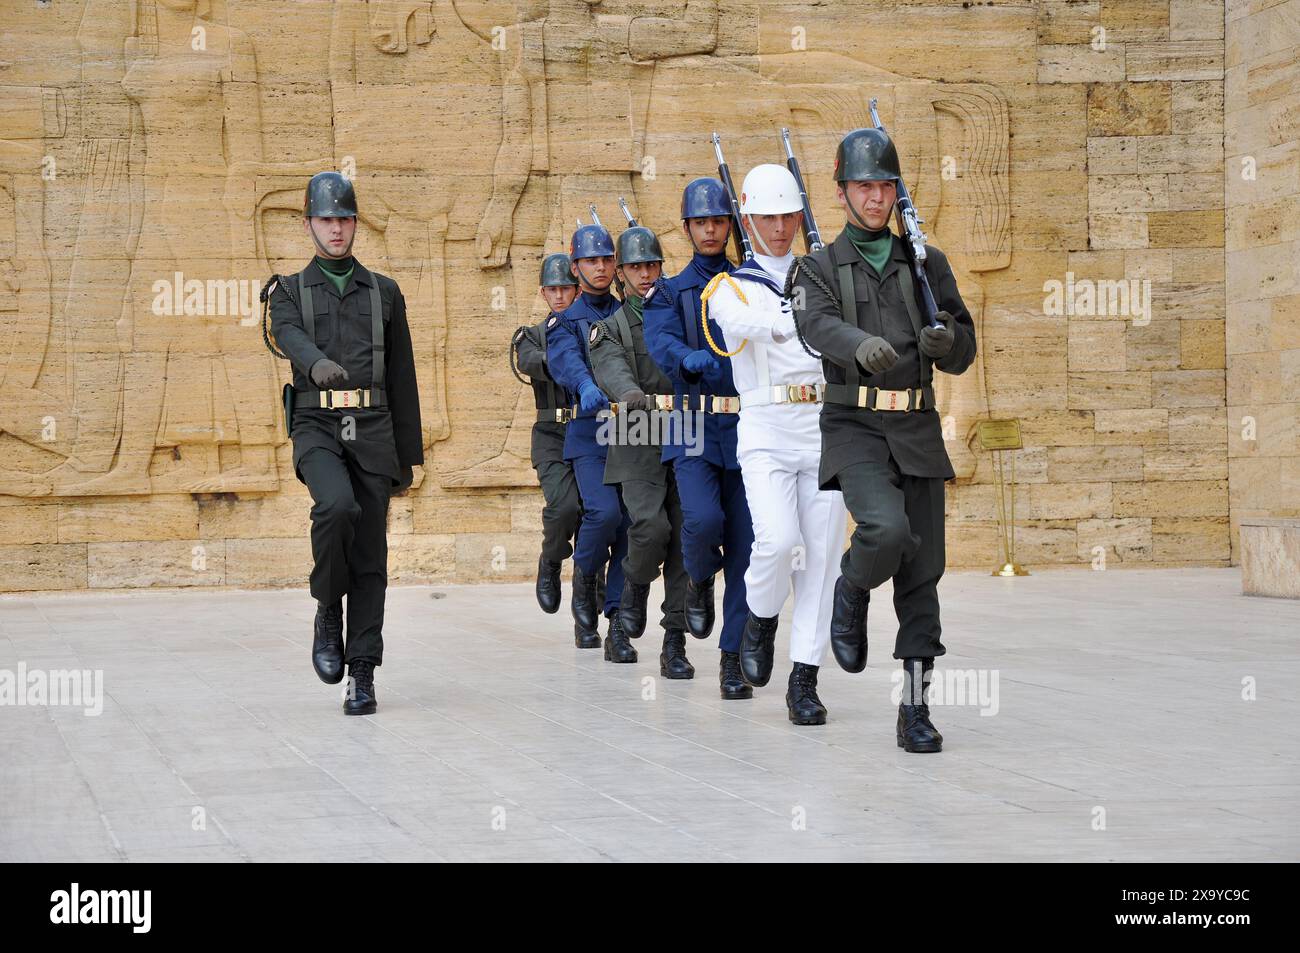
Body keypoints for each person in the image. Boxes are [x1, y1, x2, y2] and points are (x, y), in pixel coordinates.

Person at [791, 128, 977, 752]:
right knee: (885, 531)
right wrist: (856, 345)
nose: (876, 197)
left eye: (886, 185)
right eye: (865, 186)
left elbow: (962, 344)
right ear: (842, 192)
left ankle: (916, 709)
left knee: (923, 574)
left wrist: (947, 344)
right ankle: (851, 586)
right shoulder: (816, 267)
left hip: (917, 428)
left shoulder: (926, 262)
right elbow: (815, 326)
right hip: (855, 427)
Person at [268, 171, 423, 716]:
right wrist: (316, 363)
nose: (335, 229)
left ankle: (362, 672)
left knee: (371, 556)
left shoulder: (384, 291)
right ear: (309, 223)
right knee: (335, 506)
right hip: (318, 425)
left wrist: (409, 457)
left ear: (356, 223)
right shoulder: (287, 291)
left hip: (374, 427)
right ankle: (326, 607)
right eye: (326, 219)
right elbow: (285, 335)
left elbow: (402, 375)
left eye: (344, 219)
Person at [704, 164, 848, 725]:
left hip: (821, 425)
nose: (782, 227)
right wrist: (792, 319)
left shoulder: (822, 279)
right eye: (768, 217)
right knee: (777, 541)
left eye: (789, 215)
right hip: (764, 427)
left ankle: (804, 681)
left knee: (819, 562)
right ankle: (760, 618)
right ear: (748, 218)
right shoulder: (730, 287)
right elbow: (738, 324)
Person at [643, 178, 754, 700]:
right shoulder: (669, 290)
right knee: (702, 521)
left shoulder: (750, 282)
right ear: (687, 228)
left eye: (718, 220)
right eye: (700, 221)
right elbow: (658, 337)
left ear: (729, 224)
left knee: (748, 548)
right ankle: (698, 583)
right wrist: (680, 358)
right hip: (690, 420)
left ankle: (732, 659)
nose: (710, 229)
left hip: (748, 423)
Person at [587, 224, 693, 676]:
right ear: (621, 273)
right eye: (635, 267)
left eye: (652, 265)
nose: (646, 274)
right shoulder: (607, 328)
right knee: (649, 526)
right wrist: (628, 391)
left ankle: (674, 641)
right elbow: (608, 365)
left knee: (688, 534)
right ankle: (627, 604)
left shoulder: (684, 312)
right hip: (635, 428)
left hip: (687, 427)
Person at [545, 221, 633, 659]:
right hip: (590, 433)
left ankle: (618, 620)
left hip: (633, 434)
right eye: (590, 260)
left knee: (634, 525)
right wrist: (584, 385)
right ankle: (584, 589)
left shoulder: (627, 314)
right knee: (602, 513)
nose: (600, 267)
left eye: (606, 259)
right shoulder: (565, 321)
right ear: (575, 266)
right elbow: (565, 361)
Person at [512, 254, 583, 628]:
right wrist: (572, 358)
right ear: (542, 293)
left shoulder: (594, 328)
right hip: (551, 435)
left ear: (577, 289)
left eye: (566, 289)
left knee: (596, 518)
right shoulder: (531, 335)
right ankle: (552, 558)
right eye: (552, 289)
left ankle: (587, 611)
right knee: (563, 506)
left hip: (590, 432)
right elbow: (530, 362)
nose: (559, 296)